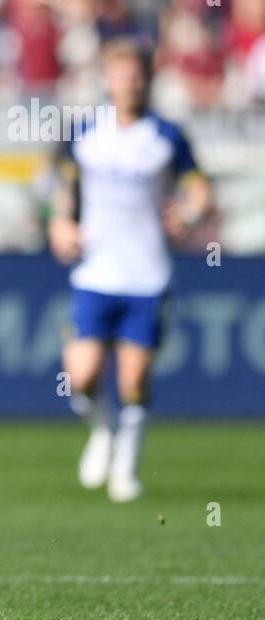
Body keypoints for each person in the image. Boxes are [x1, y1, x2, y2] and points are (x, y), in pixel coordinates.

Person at [49, 40, 213, 502]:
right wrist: (61, 223)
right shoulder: (85, 132)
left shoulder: (166, 136)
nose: (129, 83)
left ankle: (127, 461)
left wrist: (193, 214)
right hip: (95, 271)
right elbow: (64, 189)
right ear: (107, 77)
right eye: (120, 74)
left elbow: (199, 188)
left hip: (146, 274)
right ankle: (103, 432)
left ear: (149, 79)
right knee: (81, 378)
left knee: (133, 379)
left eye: (137, 75)